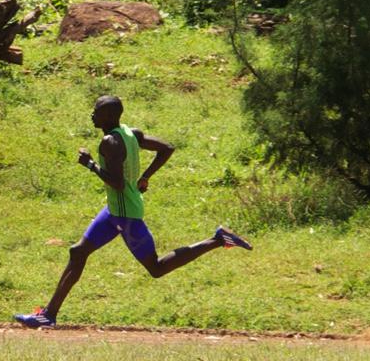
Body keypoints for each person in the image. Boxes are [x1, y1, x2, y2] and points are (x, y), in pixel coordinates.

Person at [14, 95, 252, 328]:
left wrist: (90, 164)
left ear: (107, 116)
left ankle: (218, 239)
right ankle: (48, 314)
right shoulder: (131, 134)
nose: (92, 114)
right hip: (114, 211)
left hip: (125, 216)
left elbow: (116, 182)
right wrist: (145, 177)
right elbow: (166, 148)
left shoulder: (110, 142)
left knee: (156, 268)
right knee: (78, 252)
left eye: (96, 110)